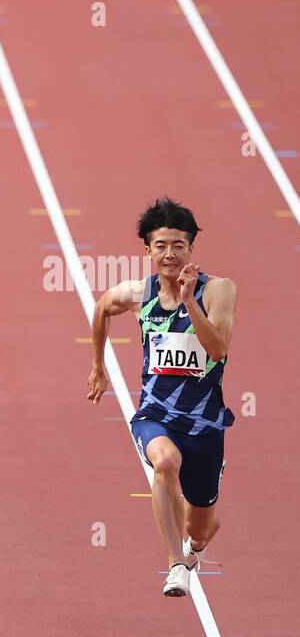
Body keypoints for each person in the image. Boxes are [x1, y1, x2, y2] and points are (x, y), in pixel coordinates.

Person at [87, 198, 236, 597]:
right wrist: (98, 365)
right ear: (148, 250)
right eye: (160, 246)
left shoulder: (218, 291)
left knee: (199, 527)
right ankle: (175, 565)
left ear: (191, 248)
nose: (169, 254)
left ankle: (197, 543)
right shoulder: (138, 294)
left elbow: (218, 348)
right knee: (165, 462)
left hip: (205, 425)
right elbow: (101, 308)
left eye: (178, 246)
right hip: (155, 414)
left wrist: (189, 302)